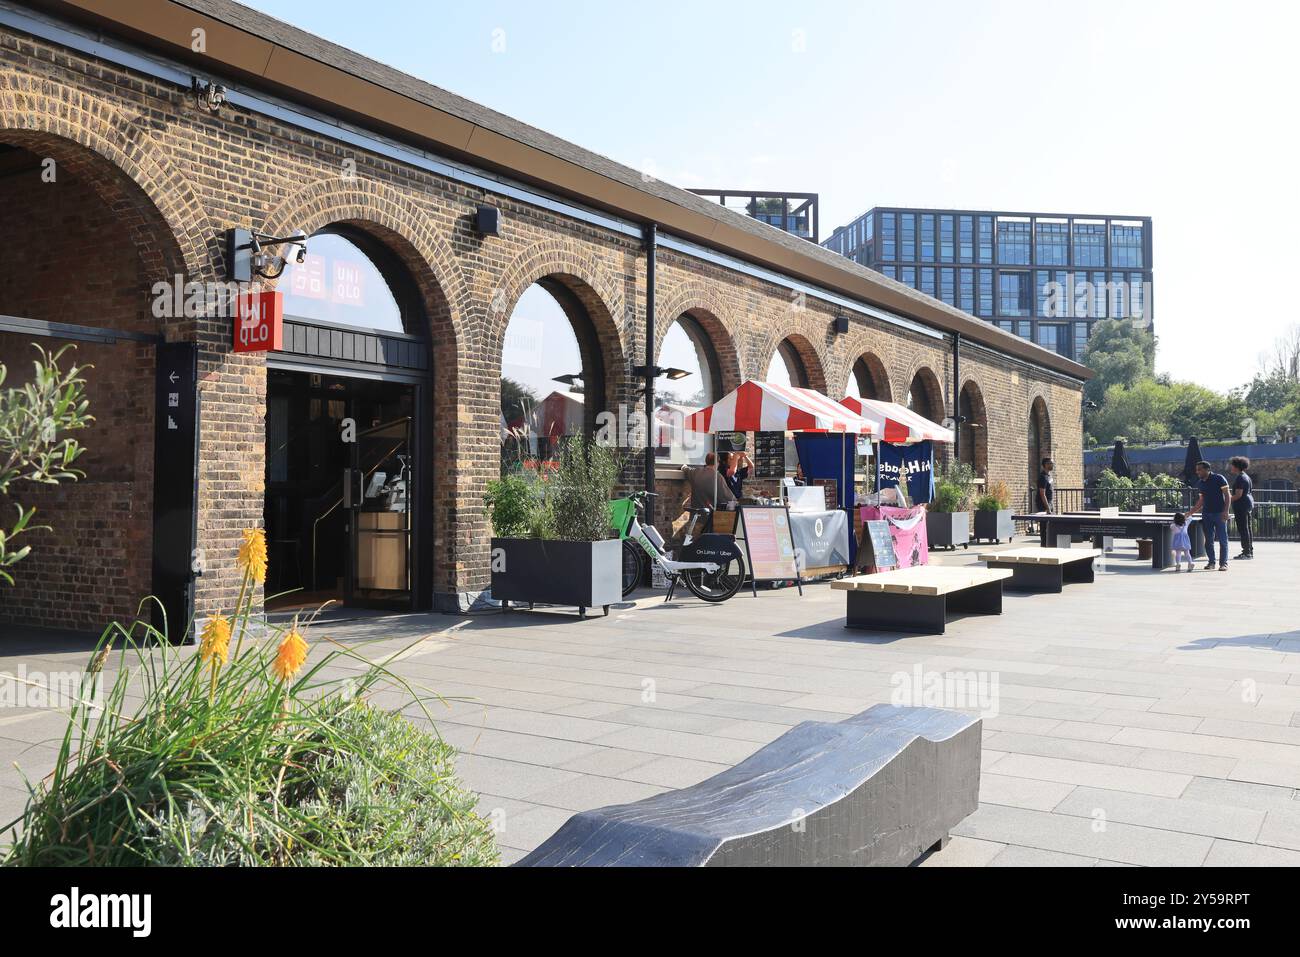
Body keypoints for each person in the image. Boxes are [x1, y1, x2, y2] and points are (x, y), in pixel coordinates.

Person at [1188, 460, 1230, 571]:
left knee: (1223, 539)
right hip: (1207, 514)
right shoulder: (1200, 483)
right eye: (1197, 470)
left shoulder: (1219, 478)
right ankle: (1211, 562)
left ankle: (1223, 564)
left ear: (1207, 469)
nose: (1197, 472)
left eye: (1199, 470)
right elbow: (1201, 501)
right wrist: (1190, 513)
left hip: (1220, 514)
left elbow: (1227, 496)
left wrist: (1226, 511)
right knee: (1208, 540)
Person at [1228, 455, 1254, 560]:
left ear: (1237, 467)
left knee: (1243, 529)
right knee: (1247, 528)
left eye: (1232, 466)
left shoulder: (1240, 478)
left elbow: (1238, 495)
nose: (1231, 468)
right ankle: (1249, 551)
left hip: (1241, 505)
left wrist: (1227, 500)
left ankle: (1246, 553)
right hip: (1247, 504)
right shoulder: (1246, 477)